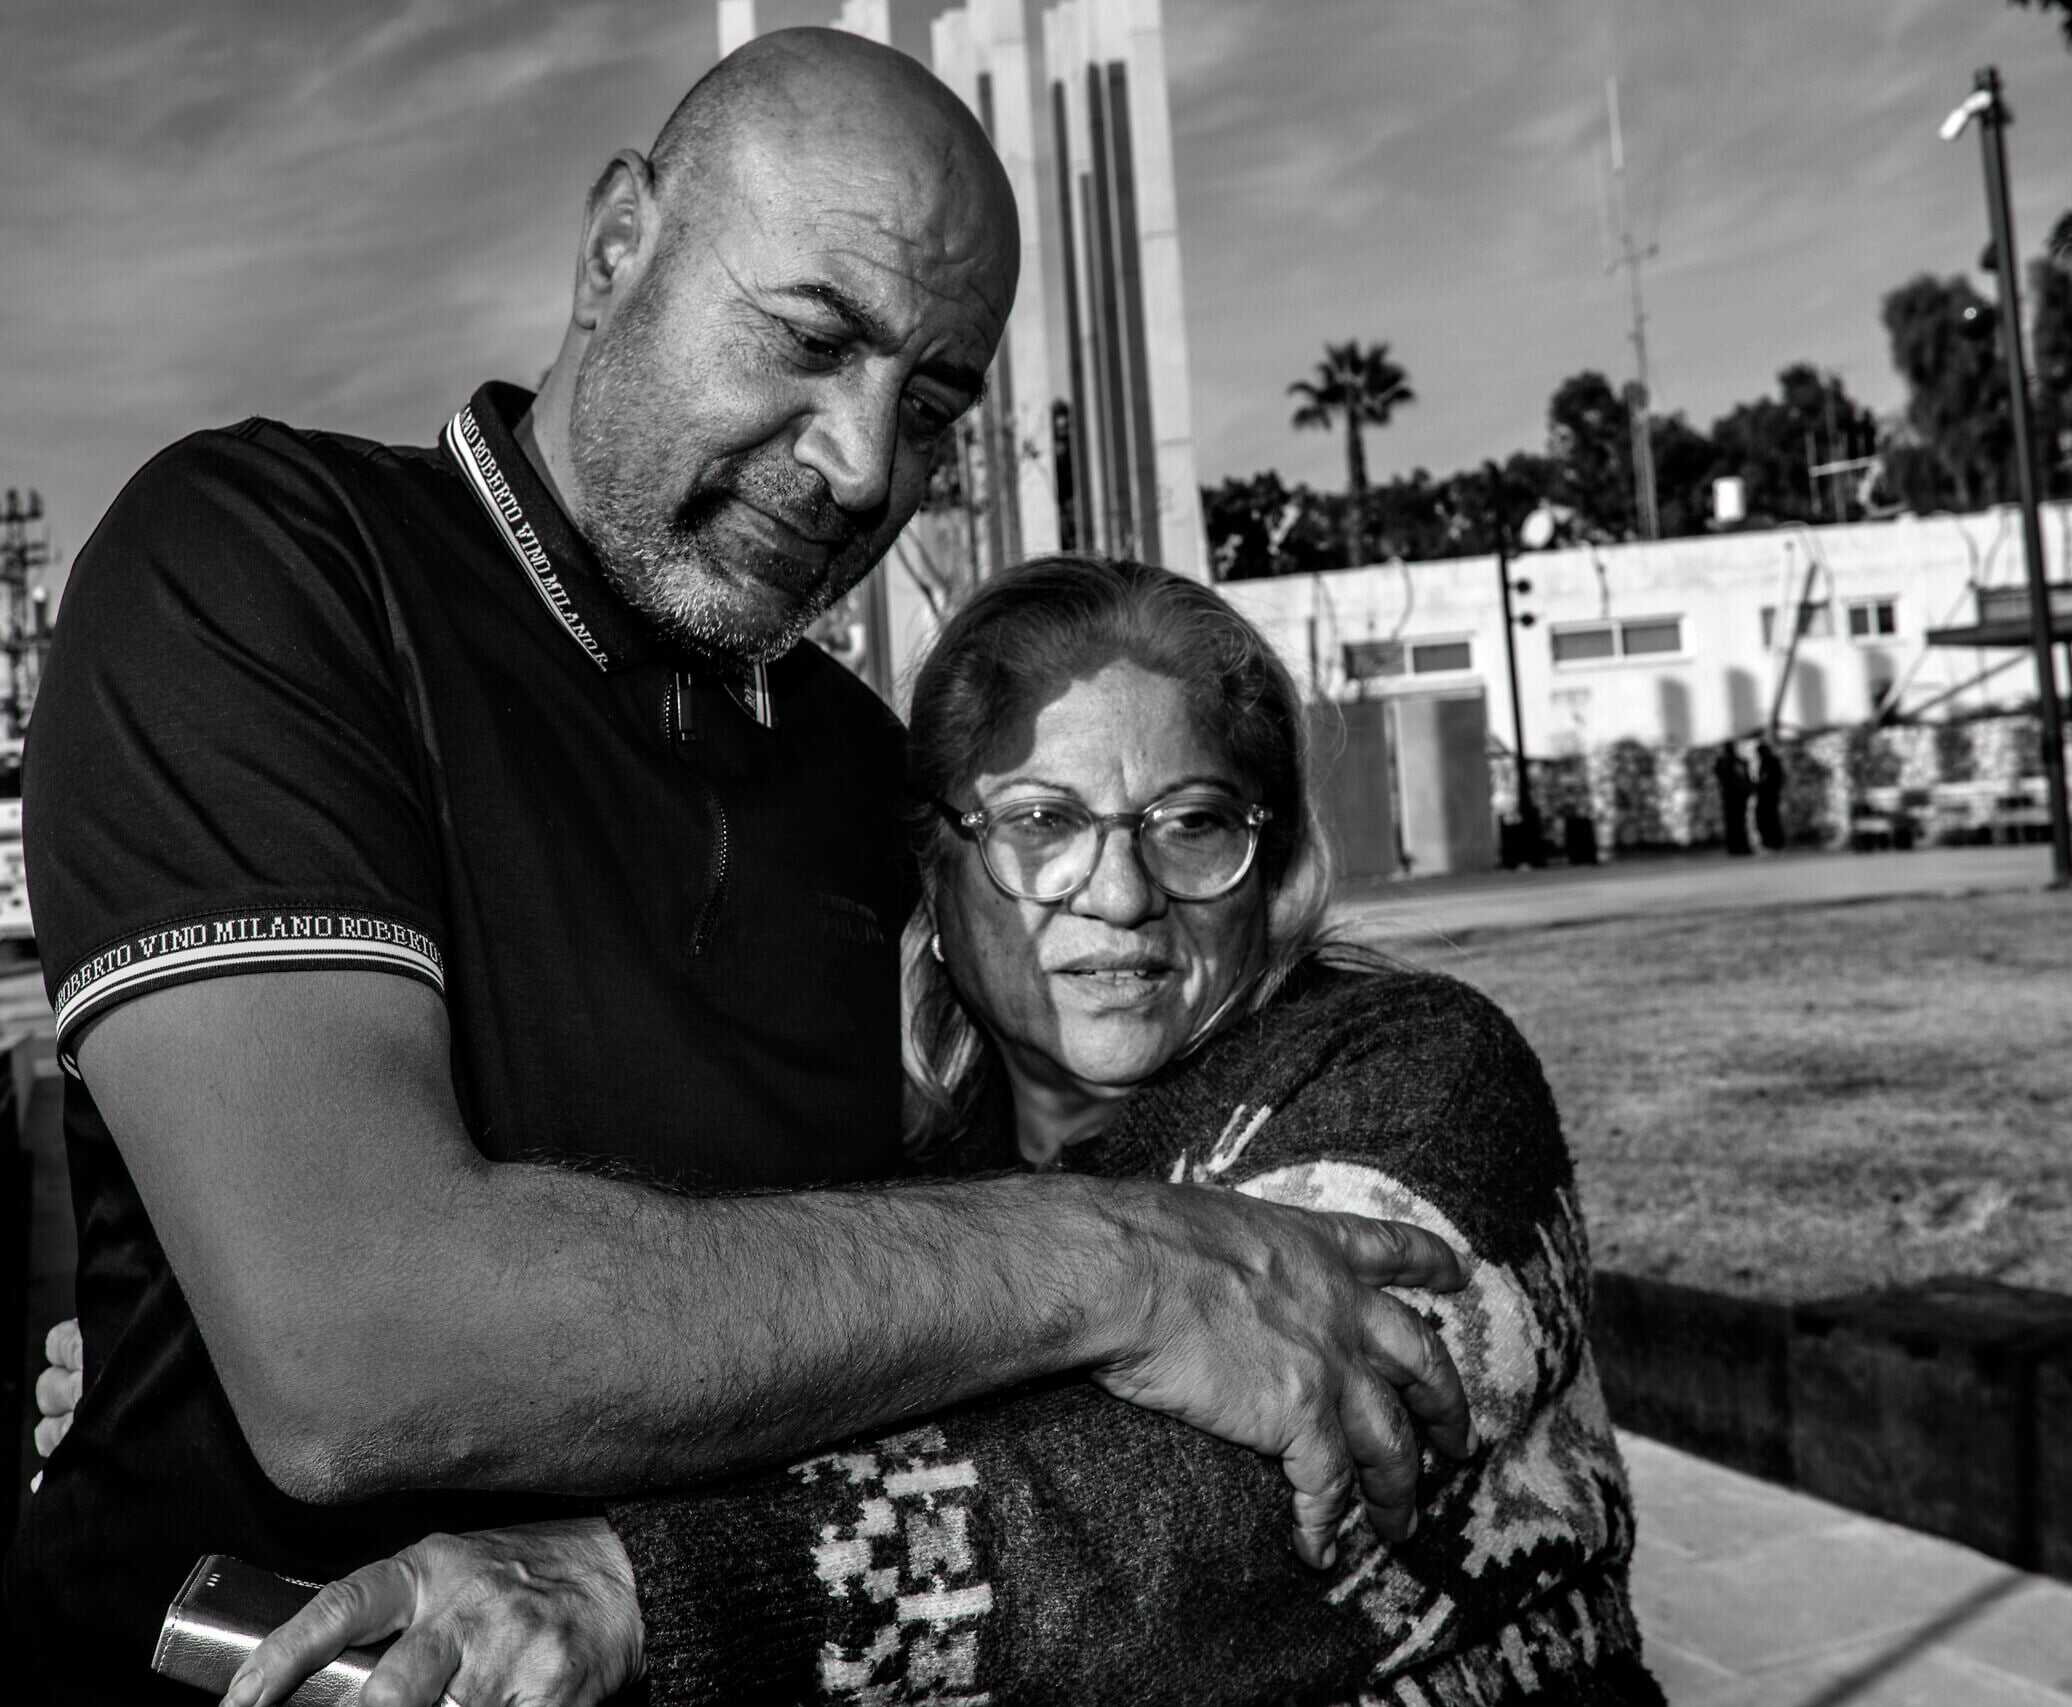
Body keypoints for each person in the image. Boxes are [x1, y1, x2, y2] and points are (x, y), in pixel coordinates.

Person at [7, 33, 1469, 1699]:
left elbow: (926, 1290)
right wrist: (1123, 1261)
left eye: (929, 402)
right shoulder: (273, 565)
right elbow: (359, 1354)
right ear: (618, 244)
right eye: (810, 338)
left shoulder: (870, 769)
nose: (862, 465)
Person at [214, 557, 1662, 1706]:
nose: (1120, 890)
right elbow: (682, 1360)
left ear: (1272, 858)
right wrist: (222, 1324)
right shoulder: (902, 1185)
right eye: (1043, 819)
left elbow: (1220, 1510)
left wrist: (644, 1586)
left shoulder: (1415, 1068)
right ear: (940, 863)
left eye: (1191, 820)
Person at [1712, 740, 1754, 856]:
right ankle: (1739, 847)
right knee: (1737, 822)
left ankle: (1737, 847)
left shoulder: (1728, 762)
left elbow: (1743, 777)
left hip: (1733, 796)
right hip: (1735, 796)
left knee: (1735, 822)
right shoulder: (1735, 762)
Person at [1753, 737, 1789, 854]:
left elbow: (1768, 779)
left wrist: (1760, 786)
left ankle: (1773, 842)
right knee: (1768, 819)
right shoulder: (1767, 761)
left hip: (1769, 796)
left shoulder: (1770, 761)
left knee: (1769, 819)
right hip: (1768, 795)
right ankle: (1771, 842)